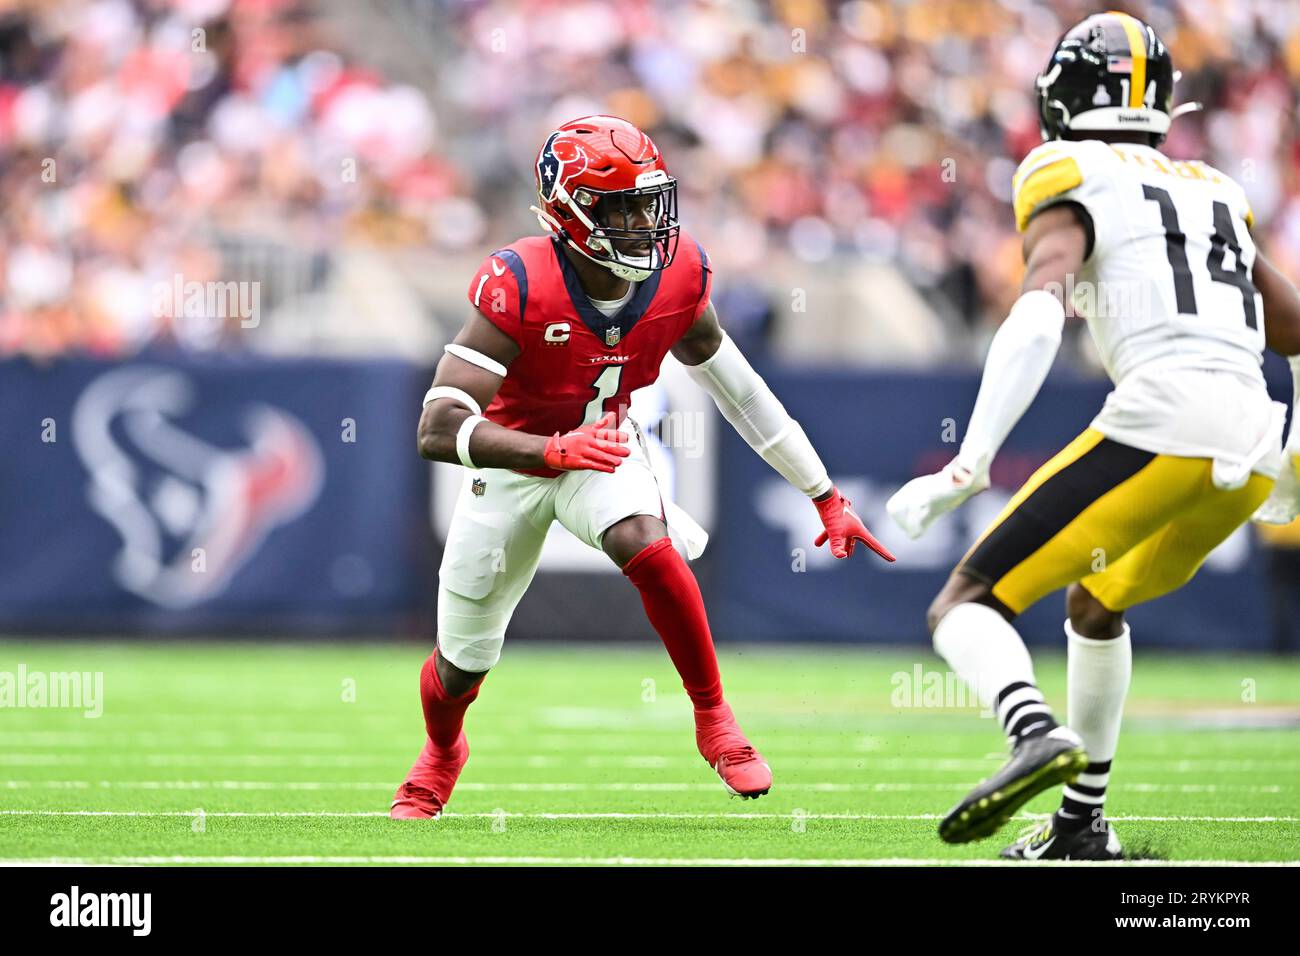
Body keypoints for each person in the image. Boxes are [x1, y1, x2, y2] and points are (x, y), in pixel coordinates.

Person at [392, 115, 894, 819]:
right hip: (509, 466)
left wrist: (825, 494)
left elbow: (743, 392)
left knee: (643, 537)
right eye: (618, 207)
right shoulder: (520, 281)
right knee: (460, 664)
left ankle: (714, 717)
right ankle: (442, 751)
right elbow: (437, 427)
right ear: (566, 212)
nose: (640, 224)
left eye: (646, 203)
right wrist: (548, 451)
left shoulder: (680, 273)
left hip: (599, 449)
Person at [886, 11, 1300, 859]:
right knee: (1096, 602)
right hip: (1254, 442)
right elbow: (1294, 328)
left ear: (1065, 96)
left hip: (1165, 418)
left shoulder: (1063, 167)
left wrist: (969, 464)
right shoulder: (1216, 186)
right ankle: (1081, 825)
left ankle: (1031, 731)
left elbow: (1041, 312)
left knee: (964, 603)